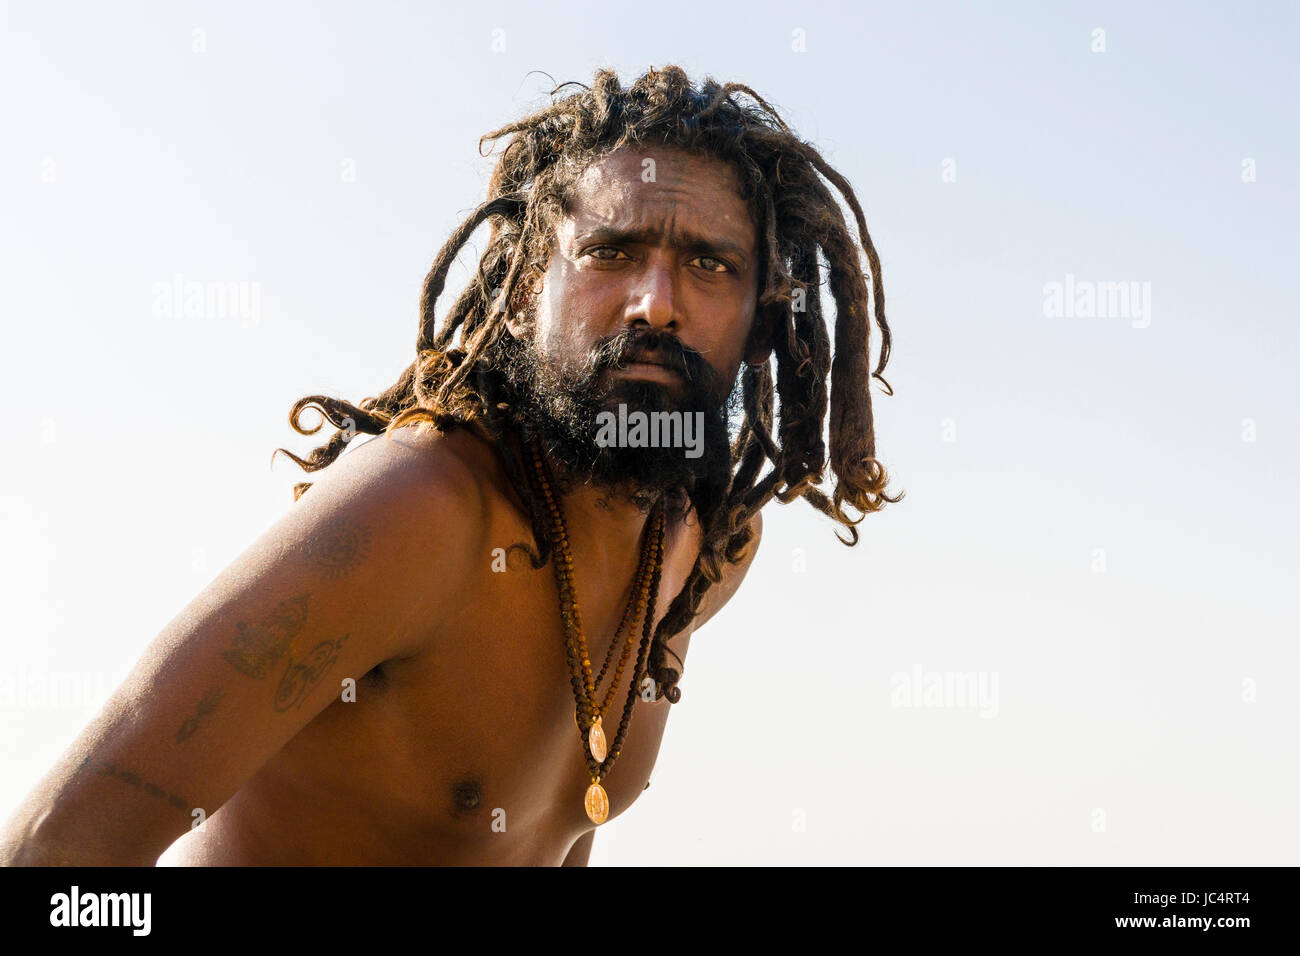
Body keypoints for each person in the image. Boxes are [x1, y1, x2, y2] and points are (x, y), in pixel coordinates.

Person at [0, 64, 900, 866]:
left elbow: (556, 832)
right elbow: (56, 846)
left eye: (709, 264)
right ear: (519, 291)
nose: (654, 304)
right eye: (611, 252)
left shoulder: (703, 550)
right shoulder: (417, 511)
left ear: (763, 322)